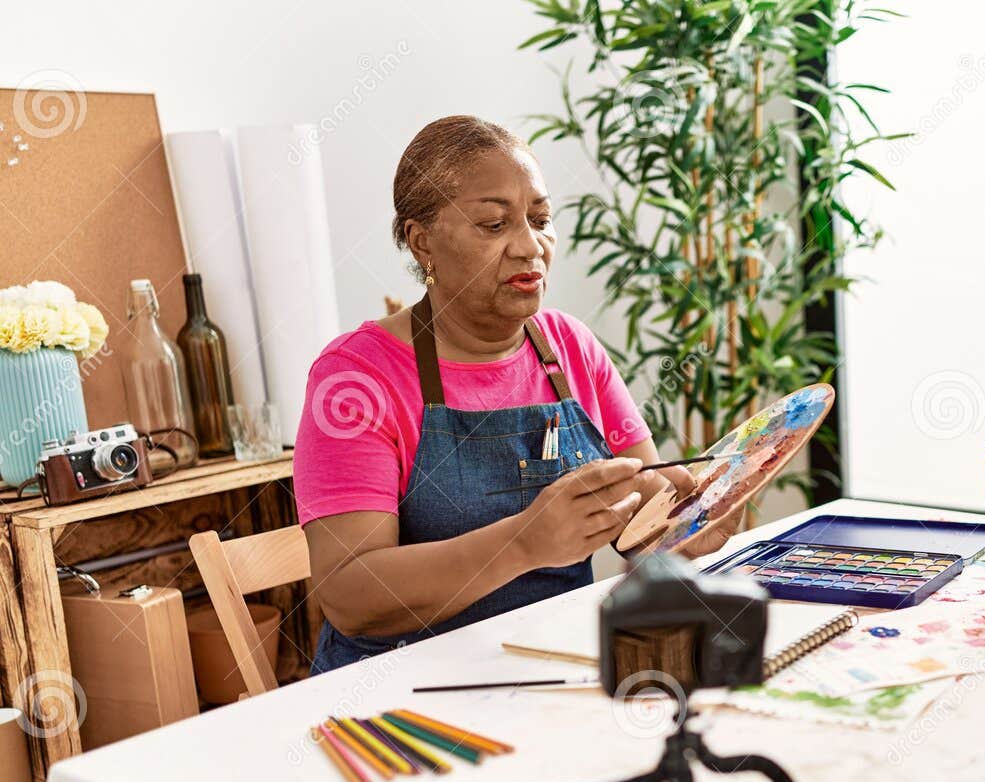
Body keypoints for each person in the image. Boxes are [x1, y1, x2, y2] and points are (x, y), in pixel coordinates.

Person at [293, 116, 742, 674]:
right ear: (422, 240)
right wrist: (525, 543)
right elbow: (349, 595)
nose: (531, 246)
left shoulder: (571, 348)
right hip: (398, 692)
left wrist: (687, 526)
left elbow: (643, 521)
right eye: (493, 224)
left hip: (551, 665)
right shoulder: (356, 378)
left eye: (541, 219)